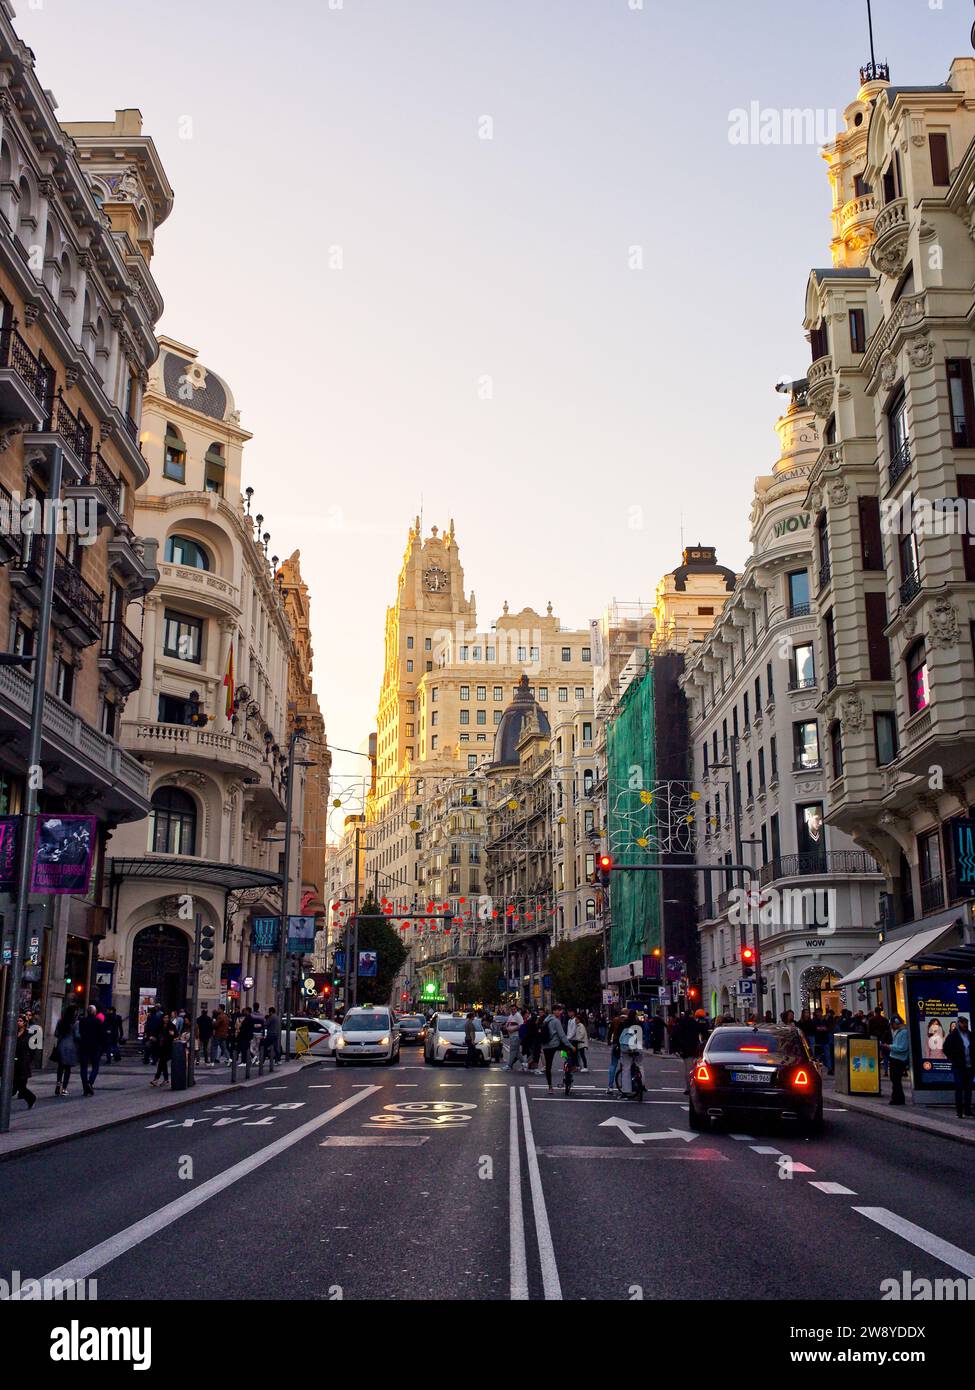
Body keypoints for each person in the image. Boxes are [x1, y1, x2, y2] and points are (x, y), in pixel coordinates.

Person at [943, 1015, 974, 1119]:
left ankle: (968, 1110)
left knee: (968, 1089)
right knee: (959, 1089)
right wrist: (954, 1059)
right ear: (958, 1024)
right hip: (959, 1067)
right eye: (962, 1023)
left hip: (969, 1066)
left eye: (966, 1023)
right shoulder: (953, 1036)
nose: (964, 1025)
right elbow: (946, 1048)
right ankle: (959, 1111)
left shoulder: (970, 1034)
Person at [539, 1006, 572, 1093]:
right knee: (567, 1051)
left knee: (548, 1067)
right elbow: (562, 1036)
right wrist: (571, 1046)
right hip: (555, 1045)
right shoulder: (556, 1021)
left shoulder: (546, 1020)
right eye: (559, 1011)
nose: (560, 1012)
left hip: (546, 1046)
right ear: (554, 1011)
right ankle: (566, 1065)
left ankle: (550, 1087)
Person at [671, 1010, 703, 1093]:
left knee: (688, 1069)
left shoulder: (681, 1023)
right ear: (691, 1014)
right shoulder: (695, 1023)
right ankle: (695, 1086)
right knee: (695, 1068)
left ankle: (689, 1087)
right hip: (695, 1048)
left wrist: (677, 1048)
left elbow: (675, 1035)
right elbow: (700, 1033)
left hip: (685, 1049)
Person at [78, 1005, 106, 1096]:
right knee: (95, 1066)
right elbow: (102, 1034)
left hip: (84, 1045)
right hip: (95, 1046)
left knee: (83, 1068)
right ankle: (90, 1083)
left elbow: (80, 1032)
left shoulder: (82, 1021)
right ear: (94, 1012)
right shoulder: (98, 1021)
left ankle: (85, 1088)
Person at [53, 1005, 79, 1096]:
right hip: (71, 1046)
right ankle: (64, 1088)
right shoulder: (75, 1023)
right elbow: (77, 1035)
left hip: (61, 1045)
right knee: (68, 1068)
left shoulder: (60, 1021)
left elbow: (56, 1033)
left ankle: (58, 1084)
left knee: (60, 1067)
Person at [13, 1016, 36, 1109]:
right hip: (14, 1062)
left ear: (25, 1023)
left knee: (21, 1086)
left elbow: (32, 1049)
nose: (18, 1022)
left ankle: (31, 1098)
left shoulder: (28, 1034)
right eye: (17, 1021)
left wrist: (28, 1060)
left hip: (23, 1062)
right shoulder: (13, 1032)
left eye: (20, 1021)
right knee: (15, 1087)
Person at [887, 1015, 910, 1106]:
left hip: (898, 1059)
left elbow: (902, 1047)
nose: (891, 1026)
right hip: (894, 1057)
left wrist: (890, 1047)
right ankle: (896, 1098)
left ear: (896, 1023)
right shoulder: (898, 1032)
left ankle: (898, 1099)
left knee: (896, 1080)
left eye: (892, 1024)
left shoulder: (903, 1032)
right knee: (894, 1079)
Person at [151, 1013, 176, 1086]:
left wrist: (173, 1034)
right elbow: (155, 1034)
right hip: (161, 1047)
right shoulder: (160, 1026)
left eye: (167, 1018)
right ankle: (165, 1080)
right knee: (163, 1063)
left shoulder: (171, 1026)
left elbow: (176, 1035)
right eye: (165, 1018)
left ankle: (156, 1079)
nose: (166, 1019)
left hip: (168, 1047)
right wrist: (153, 1037)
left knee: (162, 1062)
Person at [501, 1004, 523, 1071]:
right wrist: (505, 1027)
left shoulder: (518, 1016)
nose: (513, 1010)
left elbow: (521, 1025)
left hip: (516, 1035)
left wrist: (513, 1029)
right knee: (517, 1052)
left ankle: (509, 1065)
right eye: (512, 1009)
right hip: (511, 1036)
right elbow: (508, 1023)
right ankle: (524, 1063)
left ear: (516, 1009)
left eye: (514, 1009)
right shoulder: (511, 1016)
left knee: (512, 1051)